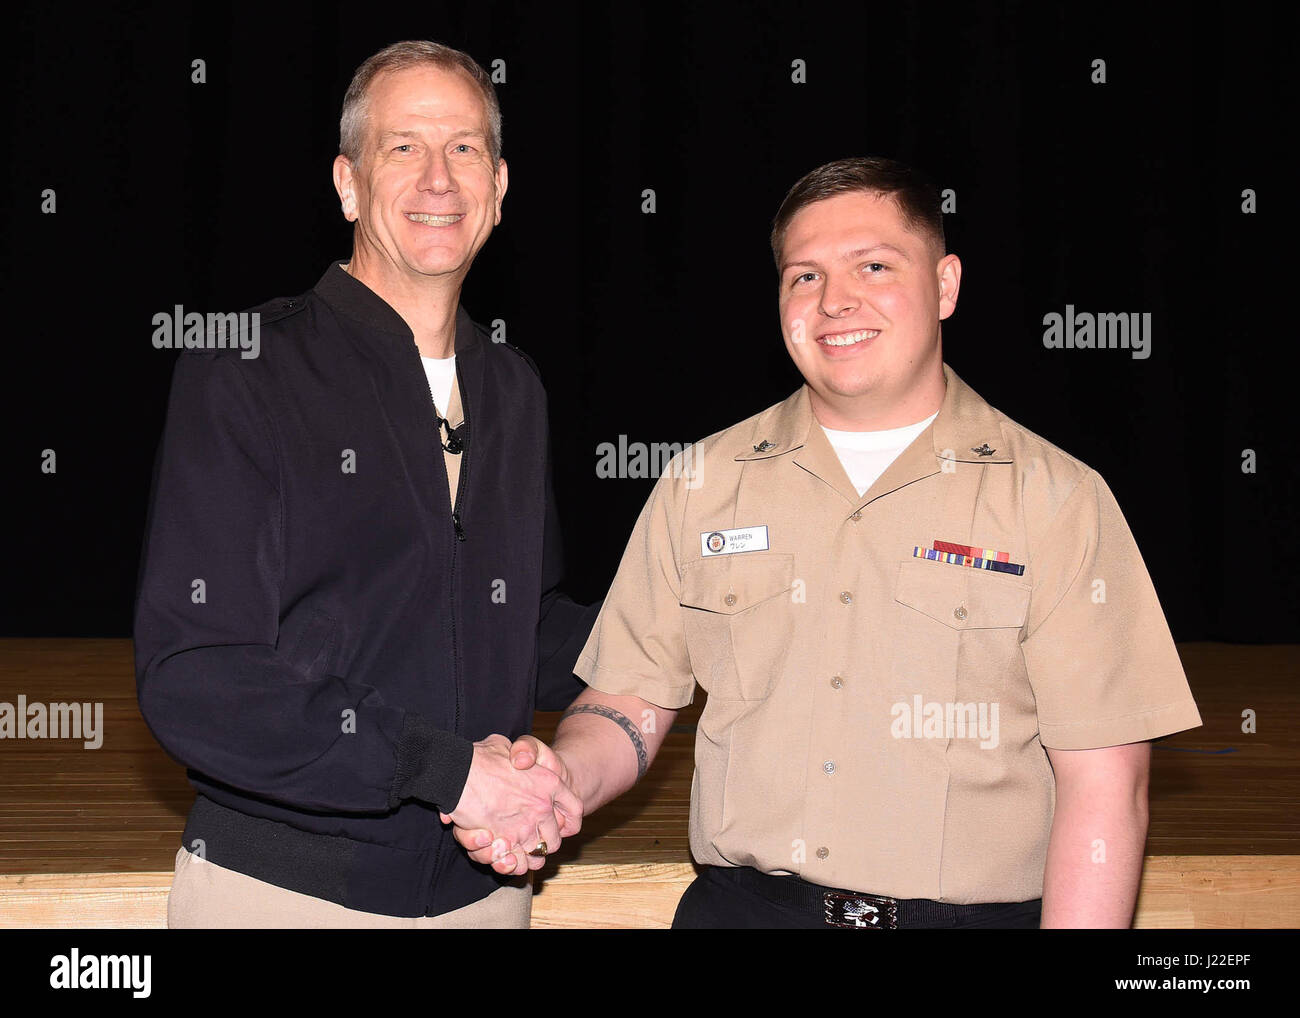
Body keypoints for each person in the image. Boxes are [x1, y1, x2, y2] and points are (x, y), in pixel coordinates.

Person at [446, 156, 1203, 929]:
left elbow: (1107, 788)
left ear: (945, 285)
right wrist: (563, 773)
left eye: (873, 266)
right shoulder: (699, 484)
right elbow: (632, 698)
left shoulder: (1056, 499)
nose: (836, 300)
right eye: (804, 276)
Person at [134, 40, 596, 929]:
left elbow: (521, 622)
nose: (438, 177)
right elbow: (197, 676)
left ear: (499, 189)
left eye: (464, 148)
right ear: (347, 184)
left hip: (485, 897)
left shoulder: (514, 389)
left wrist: (677, 643)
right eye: (402, 146)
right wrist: (449, 772)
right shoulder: (248, 368)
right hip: (284, 899)